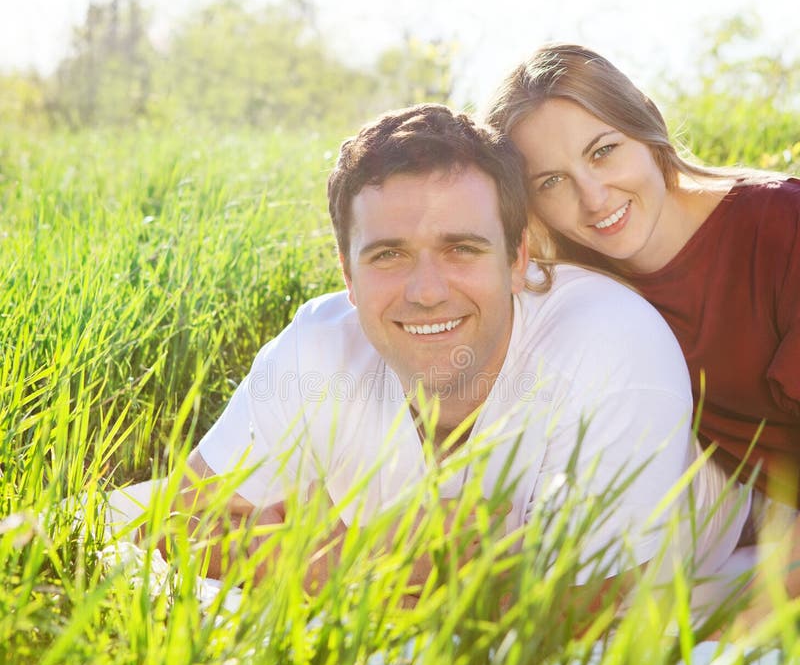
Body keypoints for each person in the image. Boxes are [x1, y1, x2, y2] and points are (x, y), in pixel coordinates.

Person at [134, 103, 747, 611]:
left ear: (517, 259)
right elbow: (174, 526)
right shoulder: (316, 346)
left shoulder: (609, 341)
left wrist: (323, 558)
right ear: (347, 275)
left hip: (745, 532)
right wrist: (381, 558)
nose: (426, 292)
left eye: (461, 249)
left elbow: (581, 611)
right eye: (389, 255)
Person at [484, 43, 800, 513]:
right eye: (552, 181)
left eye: (603, 151)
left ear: (647, 127)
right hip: (731, 504)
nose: (594, 198)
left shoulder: (783, 226)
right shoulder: (575, 287)